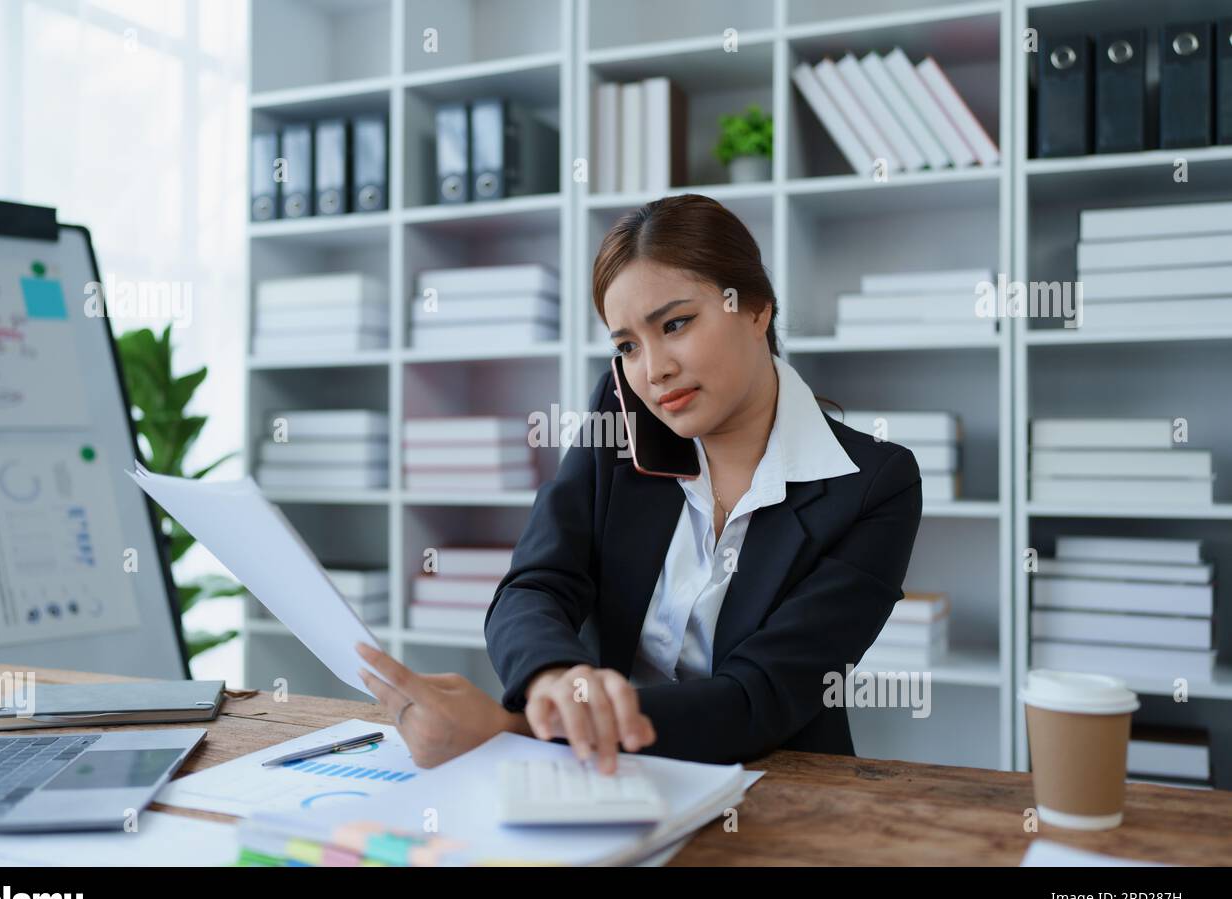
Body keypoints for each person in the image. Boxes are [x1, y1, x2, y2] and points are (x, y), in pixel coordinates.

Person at [357, 194, 922, 773]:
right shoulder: (620, 416)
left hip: (781, 786)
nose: (653, 371)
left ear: (757, 310)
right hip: (602, 775)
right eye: (627, 345)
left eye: (674, 324)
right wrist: (555, 679)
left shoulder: (876, 484)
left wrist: (518, 728)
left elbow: (759, 699)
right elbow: (535, 584)